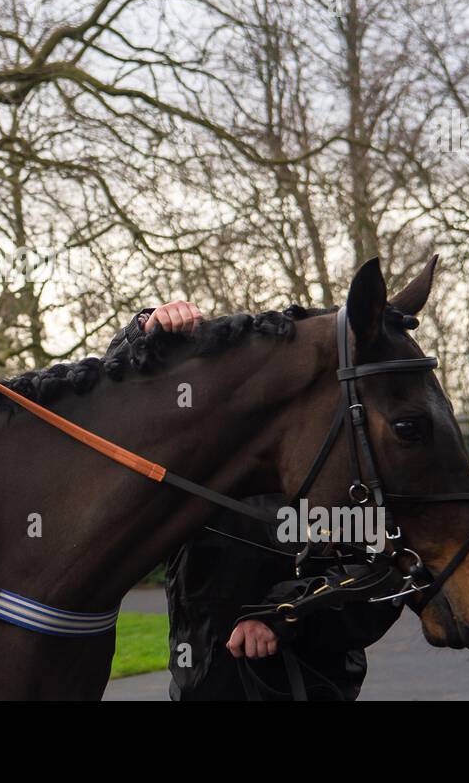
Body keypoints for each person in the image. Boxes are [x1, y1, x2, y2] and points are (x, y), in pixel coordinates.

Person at [105, 300, 401, 700]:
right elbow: (118, 415)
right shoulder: (199, 466)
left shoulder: (340, 473)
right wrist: (143, 333)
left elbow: (379, 579)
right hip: (202, 687)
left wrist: (280, 616)